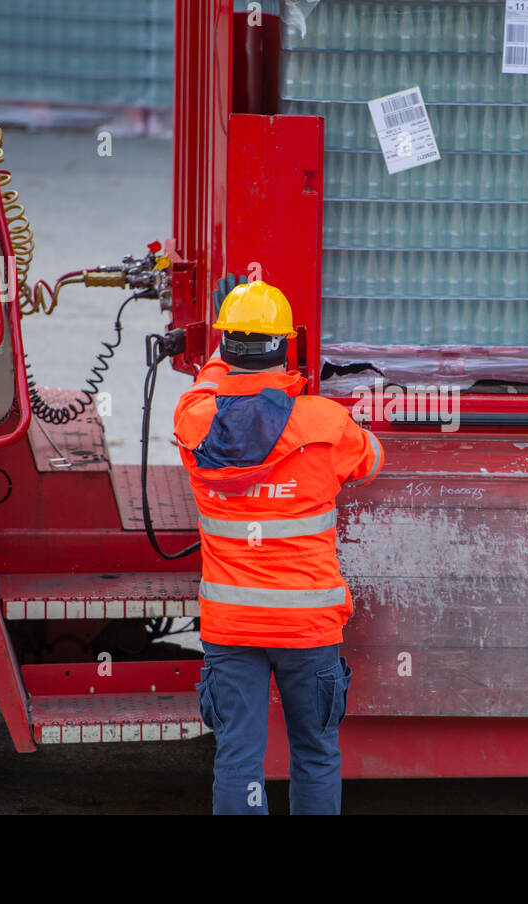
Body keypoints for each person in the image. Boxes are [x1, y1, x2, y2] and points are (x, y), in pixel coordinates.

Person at [173, 276, 384, 815]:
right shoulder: (326, 423)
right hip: (307, 628)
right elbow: (372, 460)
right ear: (285, 345)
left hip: (232, 626)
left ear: (225, 346)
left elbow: (209, 389)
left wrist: (222, 357)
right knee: (315, 754)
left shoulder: (195, 421)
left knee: (237, 759)